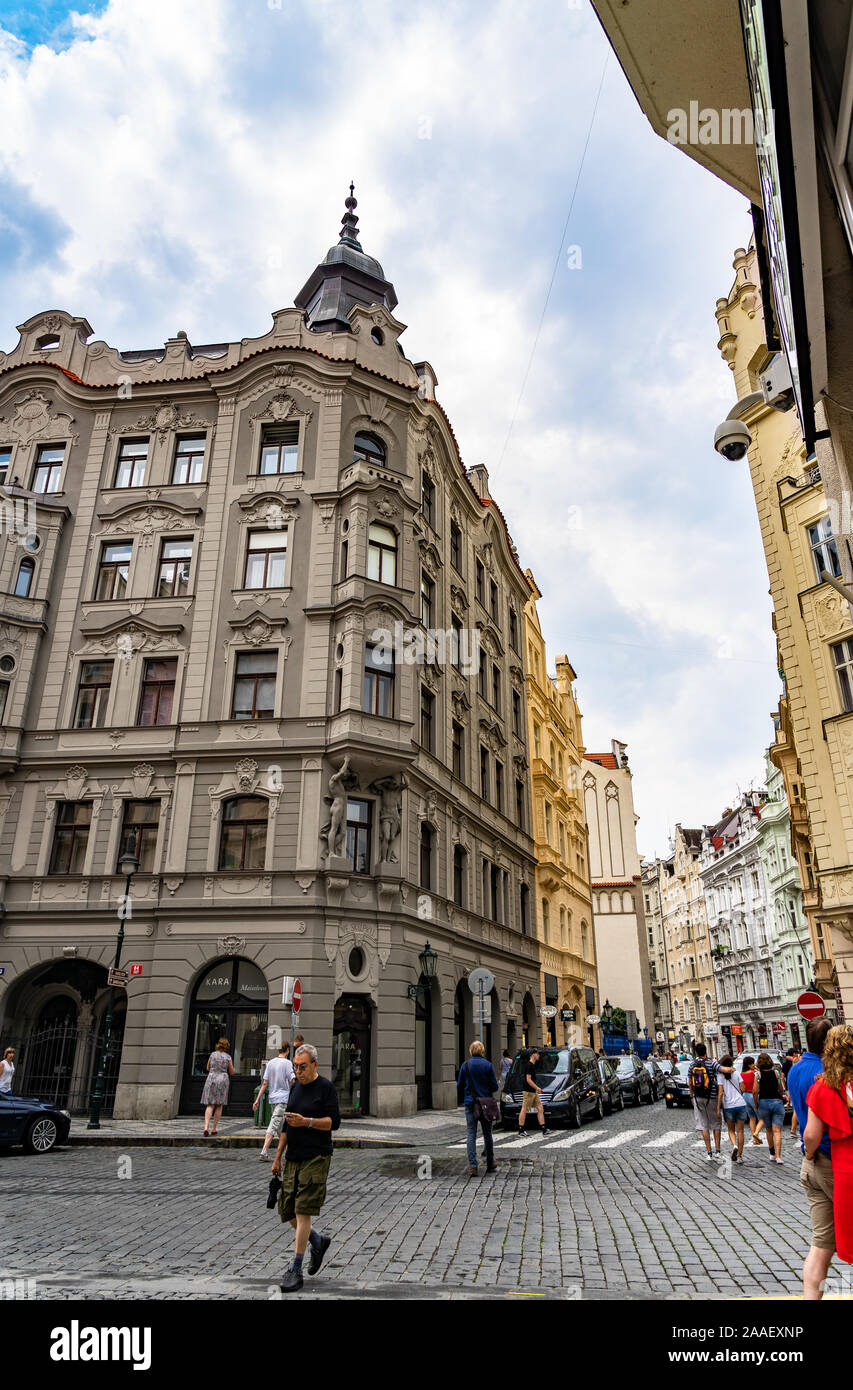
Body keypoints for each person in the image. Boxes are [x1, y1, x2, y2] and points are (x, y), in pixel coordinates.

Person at [271, 1043, 340, 1293]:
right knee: (287, 1210)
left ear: (314, 1065)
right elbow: (287, 1125)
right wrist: (278, 1156)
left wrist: (308, 1122)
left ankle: (295, 1269)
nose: (298, 1071)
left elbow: (335, 1123)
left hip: (316, 1157)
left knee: (302, 1211)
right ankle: (317, 1241)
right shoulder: (295, 1087)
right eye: (295, 1067)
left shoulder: (326, 1088)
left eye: (302, 1067)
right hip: (293, 1157)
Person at [787, 1017, 834, 1299]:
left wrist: (809, 1153)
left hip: (810, 1164)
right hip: (830, 1157)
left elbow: (797, 1111)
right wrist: (813, 1148)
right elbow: (816, 1132)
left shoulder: (795, 1069)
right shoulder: (827, 1073)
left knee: (820, 1245)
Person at [803, 1023, 853, 1270]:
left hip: (841, 1168)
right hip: (841, 1169)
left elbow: (811, 1134)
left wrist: (809, 1153)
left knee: (827, 1241)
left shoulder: (822, 1088)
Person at [457, 1040, 500, 1177]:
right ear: (482, 1051)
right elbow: (494, 1087)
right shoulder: (488, 1065)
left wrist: (467, 1093)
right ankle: (490, 1162)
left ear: (471, 1051)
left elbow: (459, 1086)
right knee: (487, 1133)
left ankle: (473, 1166)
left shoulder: (466, 1065)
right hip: (485, 1104)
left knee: (471, 1133)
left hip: (470, 1103)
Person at [255, 1044, 295, 1161]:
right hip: (283, 1099)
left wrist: (257, 1100)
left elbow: (265, 1083)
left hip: (272, 1099)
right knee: (274, 1125)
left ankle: (289, 1151)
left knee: (280, 1127)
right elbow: (293, 1080)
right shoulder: (287, 1063)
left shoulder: (271, 1063)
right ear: (287, 1050)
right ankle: (264, 1151)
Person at [753, 1051, 789, 1164]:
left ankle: (772, 1153)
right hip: (777, 1102)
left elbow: (755, 1091)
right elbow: (781, 1090)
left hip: (764, 1102)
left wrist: (756, 1103)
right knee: (777, 1130)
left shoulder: (758, 1075)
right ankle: (779, 1156)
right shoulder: (776, 1073)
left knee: (769, 1129)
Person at [688, 1043, 720, 1162]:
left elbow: (690, 1082)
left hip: (698, 1097)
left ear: (696, 1053)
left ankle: (709, 1153)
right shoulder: (711, 1063)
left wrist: (692, 1097)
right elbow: (721, 1069)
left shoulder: (692, 1065)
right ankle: (718, 1151)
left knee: (703, 1125)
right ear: (706, 1051)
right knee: (716, 1124)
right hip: (711, 1097)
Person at [716, 1054, 748, 1162]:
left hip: (728, 1106)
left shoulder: (720, 1076)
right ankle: (739, 1156)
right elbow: (743, 1088)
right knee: (741, 1131)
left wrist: (718, 1108)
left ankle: (734, 1145)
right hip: (740, 1104)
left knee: (731, 1130)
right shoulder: (737, 1073)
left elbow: (720, 1093)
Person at [201, 1037, 234, 1136]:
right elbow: (232, 1072)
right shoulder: (228, 1057)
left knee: (210, 1104)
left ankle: (206, 1127)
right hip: (222, 1080)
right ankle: (214, 1128)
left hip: (211, 1079)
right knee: (219, 1105)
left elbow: (208, 1067)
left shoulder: (212, 1055)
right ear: (227, 1046)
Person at [517, 1049, 550, 1137]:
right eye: (537, 1054)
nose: (539, 1055)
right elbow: (528, 1079)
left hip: (533, 1092)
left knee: (540, 1109)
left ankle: (544, 1129)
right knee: (524, 1109)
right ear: (533, 1055)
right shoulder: (529, 1065)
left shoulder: (532, 1065)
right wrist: (537, 1088)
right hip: (528, 1092)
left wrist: (536, 1090)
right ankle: (521, 1130)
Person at [739, 1056, 764, 1144]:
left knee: (751, 1118)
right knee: (761, 1118)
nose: (754, 1065)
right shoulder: (755, 1073)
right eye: (753, 1063)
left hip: (745, 1096)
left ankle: (754, 1139)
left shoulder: (742, 1074)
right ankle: (756, 1134)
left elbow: (741, 1087)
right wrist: (758, 1070)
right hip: (753, 1096)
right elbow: (760, 1082)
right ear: (749, 1065)